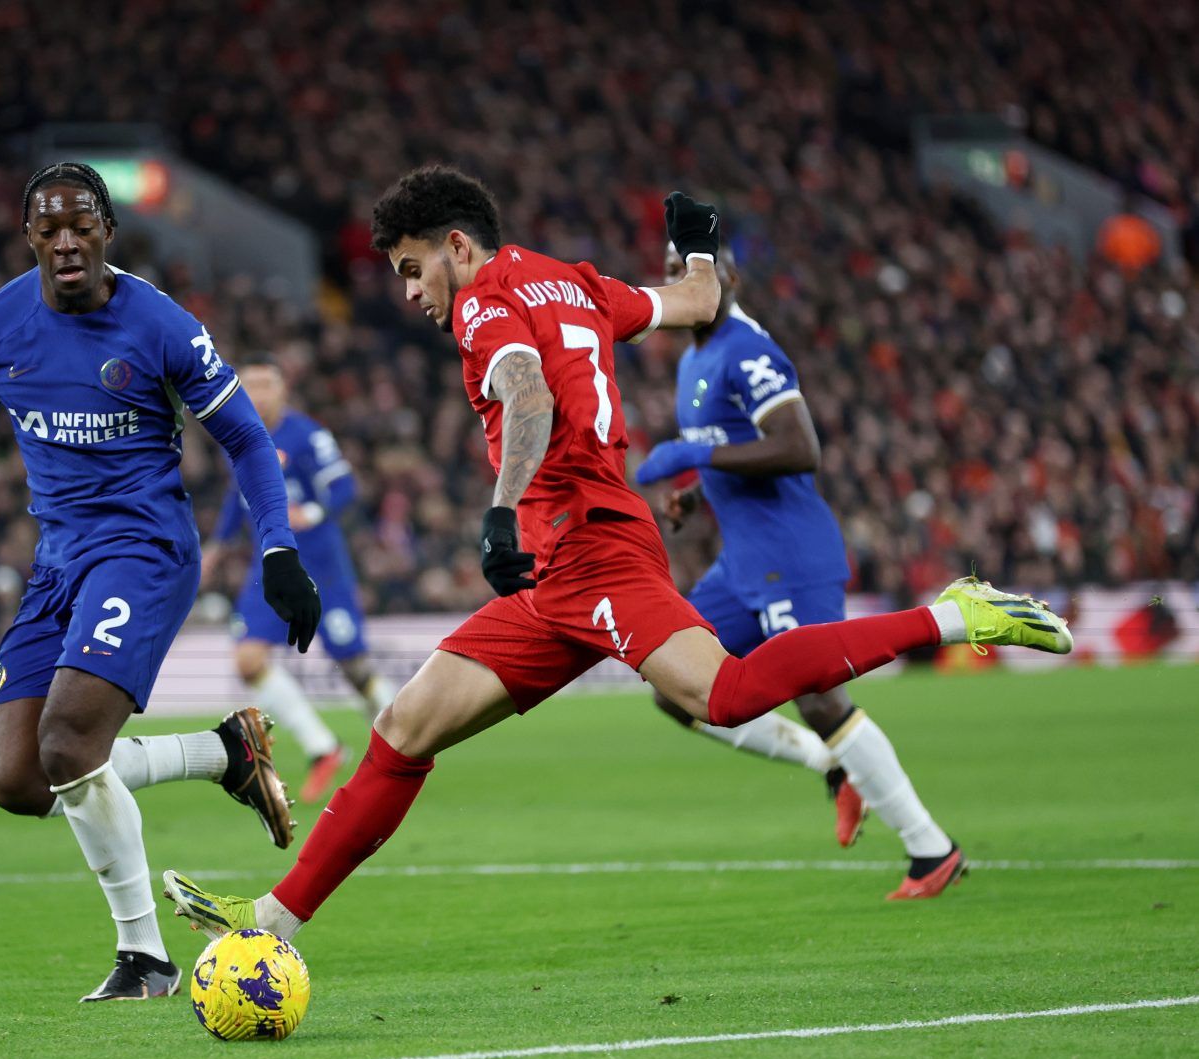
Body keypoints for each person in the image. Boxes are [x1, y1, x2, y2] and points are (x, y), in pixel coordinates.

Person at [163, 165, 1072, 945]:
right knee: (404, 727)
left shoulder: (485, 302)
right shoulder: (577, 283)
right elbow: (695, 300)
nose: (410, 293)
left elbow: (525, 396)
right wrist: (703, 246)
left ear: (456, 245)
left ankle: (957, 612)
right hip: (554, 569)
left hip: (588, 547)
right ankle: (272, 923)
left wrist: (501, 511)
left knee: (724, 694)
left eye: (411, 270)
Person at [0, 163, 322, 1002]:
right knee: (20, 779)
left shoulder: (161, 325)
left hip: (144, 551)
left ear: (107, 230)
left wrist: (278, 550)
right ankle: (222, 752)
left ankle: (146, 958)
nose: (65, 241)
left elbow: (248, 439)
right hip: (58, 560)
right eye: (48, 227)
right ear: (29, 237)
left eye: (81, 225)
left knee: (68, 742)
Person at [635, 245, 957, 898]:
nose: (681, 282)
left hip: (791, 556)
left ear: (730, 278)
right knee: (673, 682)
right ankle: (832, 769)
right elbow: (733, 449)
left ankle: (931, 850)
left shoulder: (746, 349)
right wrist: (698, 489)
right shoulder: (696, 356)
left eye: (694, 269)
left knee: (819, 698)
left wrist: (698, 452)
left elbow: (797, 446)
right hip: (741, 564)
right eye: (672, 271)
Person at [201, 359, 397, 802]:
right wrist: (217, 544)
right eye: (249, 385)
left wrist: (312, 512)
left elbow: (344, 486)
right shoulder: (234, 434)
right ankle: (323, 748)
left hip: (321, 566)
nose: (258, 393)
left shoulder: (308, 435)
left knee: (353, 665)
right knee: (248, 660)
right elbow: (238, 496)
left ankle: (403, 740)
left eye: (266, 384)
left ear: (283, 389)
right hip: (268, 565)